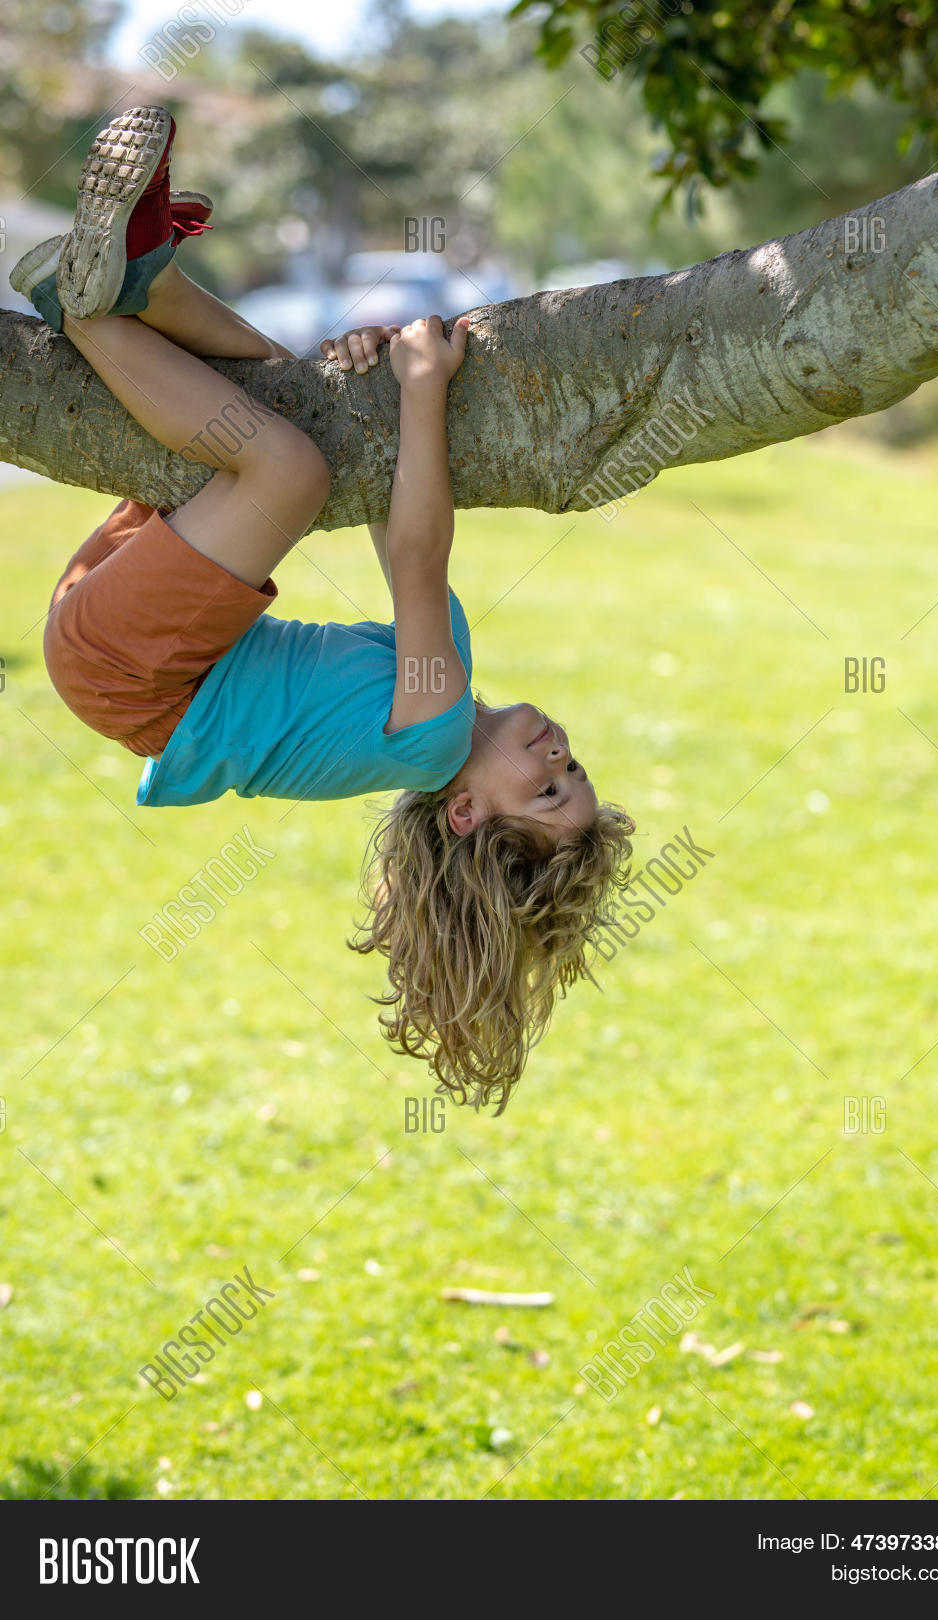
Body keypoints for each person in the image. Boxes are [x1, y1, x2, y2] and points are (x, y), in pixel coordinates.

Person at [11, 106, 634, 1113]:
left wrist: (423, 390)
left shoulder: (434, 732)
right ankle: (142, 281)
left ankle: (82, 314)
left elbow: (418, 557)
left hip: (133, 667)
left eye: (549, 790)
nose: (563, 757)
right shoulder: (433, 709)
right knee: (300, 414)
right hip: (131, 648)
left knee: (289, 469)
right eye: (579, 772)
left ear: (467, 814)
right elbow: (395, 513)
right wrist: (369, 389)